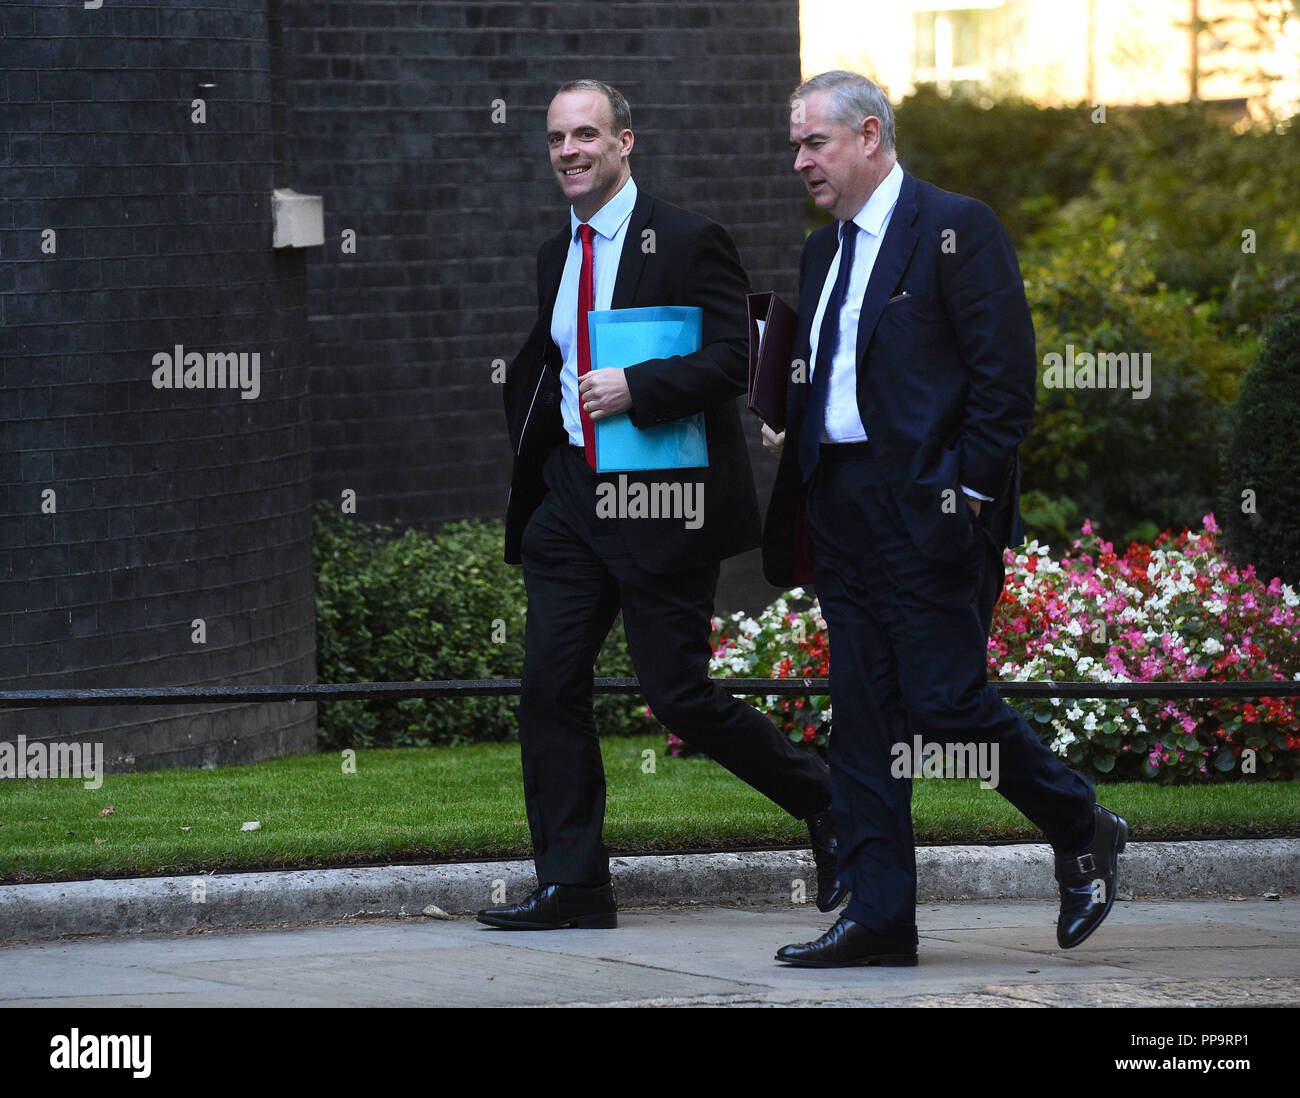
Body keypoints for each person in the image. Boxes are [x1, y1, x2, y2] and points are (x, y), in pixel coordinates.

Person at [762, 71, 1127, 966]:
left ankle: (1080, 822)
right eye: (796, 144)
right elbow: (845, 374)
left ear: (870, 135)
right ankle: (881, 919)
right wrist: (791, 414)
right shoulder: (822, 253)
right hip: (838, 506)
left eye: (815, 141)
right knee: (863, 721)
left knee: (945, 704)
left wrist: (965, 495)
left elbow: (1005, 382)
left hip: (929, 511)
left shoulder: (956, 228)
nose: (800, 159)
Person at [480, 79, 842, 931]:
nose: (569, 151)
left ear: (624, 142)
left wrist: (637, 386)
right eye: (557, 139)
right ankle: (574, 886)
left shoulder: (684, 239)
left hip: (658, 500)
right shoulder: (554, 252)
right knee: (547, 688)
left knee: (679, 695)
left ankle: (831, 805)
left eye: (586, 136)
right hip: (569, 499)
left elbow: (733, 358)